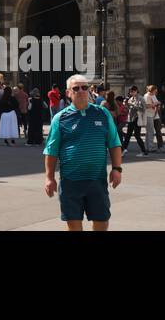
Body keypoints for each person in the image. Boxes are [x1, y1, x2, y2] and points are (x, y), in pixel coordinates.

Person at [44, 74, 123, 231]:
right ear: (68, 93)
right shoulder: (60, 118)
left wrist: (117, 169)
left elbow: (114, 143)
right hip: (70, 182)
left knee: (102, 223)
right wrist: (49, 178)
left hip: (97, 180)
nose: (81, 91)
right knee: (74, 226)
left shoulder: (102, 113)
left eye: (84, 87)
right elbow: (51, 151)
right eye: (76, 88)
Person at [123, 86, 148, 156]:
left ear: (136, 91)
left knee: (137, 135)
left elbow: (143, 109)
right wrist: (127, 105)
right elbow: (129, 109)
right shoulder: (131, 98)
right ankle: (123, 149)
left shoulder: (141, 98)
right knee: (128, 135)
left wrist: (133, 105)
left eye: (132, 91)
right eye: (130, 92)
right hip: (131, 118)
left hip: (137, 118)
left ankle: (144, 151)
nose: (131, 93)